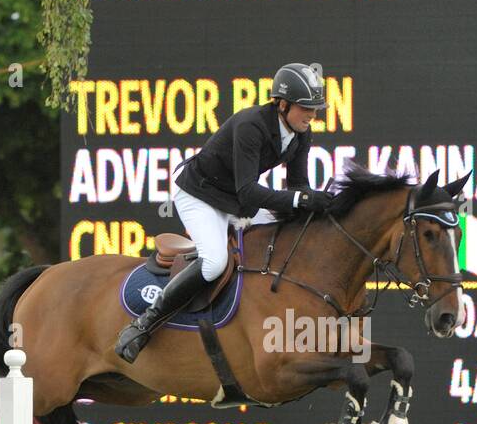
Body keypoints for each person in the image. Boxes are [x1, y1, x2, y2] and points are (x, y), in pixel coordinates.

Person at [115, 62, 330, 363]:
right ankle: (143, 325)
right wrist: (300, 200)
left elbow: (297, 186)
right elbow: (248, 191)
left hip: (236, 201)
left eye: (316, 109)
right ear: (282, 104)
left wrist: (314, 201)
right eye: (307, 108)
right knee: (215, 262)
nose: (313, 115)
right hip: (200, 195)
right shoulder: (251, 126)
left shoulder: (300, 134)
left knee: (285, 231)